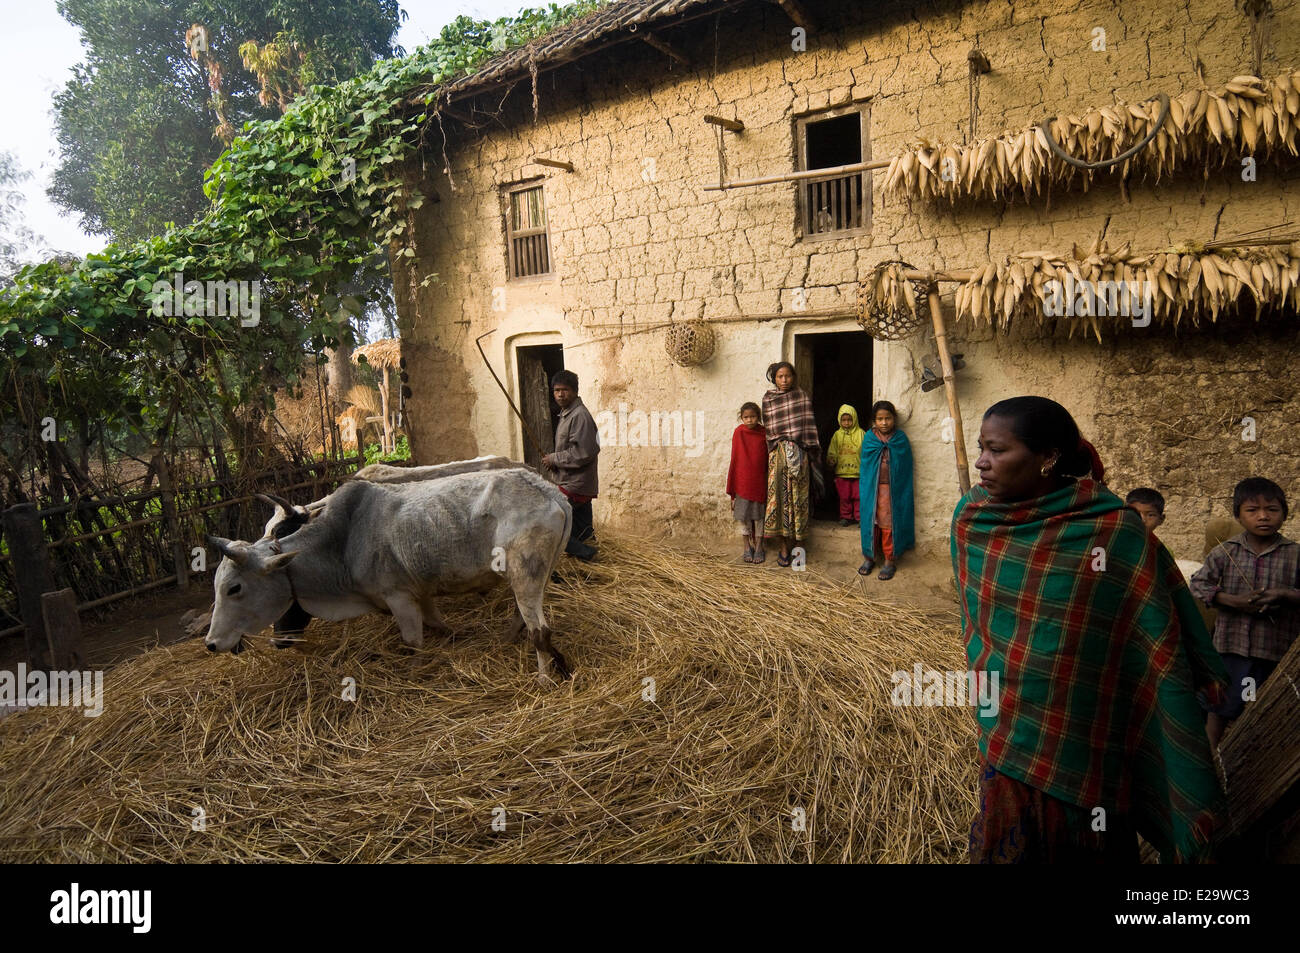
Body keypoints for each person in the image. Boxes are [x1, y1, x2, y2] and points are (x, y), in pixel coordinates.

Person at [953, 396, 1227, 863]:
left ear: (1048, 458)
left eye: (997, 450)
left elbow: (1153, 632)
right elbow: (985, 627)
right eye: (981, 448)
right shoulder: (975, 518)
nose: (982, 462)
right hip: (1007, 728)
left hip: (1088, 733)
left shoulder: (1113, 530)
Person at [1190, 477, 1300, 749]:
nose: (1263, 516)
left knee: (1269, 715)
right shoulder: (1224, 553)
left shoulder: (1295, 554)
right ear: (1238, 514)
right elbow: (1198, 584)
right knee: (1219, 711)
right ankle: (1213, 766)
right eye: (1252, 510)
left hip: (1276, 653)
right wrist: (1234, 601)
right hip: (1230, 649)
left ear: (1285, 513)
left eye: (1272, 510)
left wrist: (1285, 594)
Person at [760, 362, 820, 568]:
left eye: (788, 376)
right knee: (779, 500)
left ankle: (799, 548)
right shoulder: (769, 400)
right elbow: (770, 430)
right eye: (780, 377)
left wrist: (805, 450)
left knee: (799, 501)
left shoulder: (801, 397)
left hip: (800, 456)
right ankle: (783, 547)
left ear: (793, 377)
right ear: (774, 379)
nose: (784, 380)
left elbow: (808, 426)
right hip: (778, 457)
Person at [541, 370, 598, 561]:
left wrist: (554, 459)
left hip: (574, 485)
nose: (560, 394)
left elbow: (583, 452)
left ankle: (586, 553)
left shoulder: (580, 416)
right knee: (583, 532)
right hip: (575, 482)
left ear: (574, 391)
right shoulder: (567, 414)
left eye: (565, 390)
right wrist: (555, 463)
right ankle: (590, 565)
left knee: (550, 524)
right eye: (556, 390)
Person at [858, 400, 914, 580]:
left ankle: (890, 560)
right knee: (871, 522)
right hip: (871, 491)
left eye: (888, 418)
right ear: (874, 420)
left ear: (894, 419)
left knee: (889, 525)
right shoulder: (869, 438)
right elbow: (866, 465)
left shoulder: (900, 439)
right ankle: (869, 557)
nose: (884, 422)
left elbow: (904, 467)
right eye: (880, 419)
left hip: (891, 492)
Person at [726, 402, 768, 564]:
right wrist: (734, 487)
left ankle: (759, 546)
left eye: (753, 417)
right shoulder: (738, 433)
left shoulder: (764, 433)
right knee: (743, 516)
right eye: (746, 417)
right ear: (741, 418)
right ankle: (746, 546)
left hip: (758, 480)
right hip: (742, 481)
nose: (750, 420)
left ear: (759, 417)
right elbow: (735, 459)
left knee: (759, 517)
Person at [825, 404, 865, 527]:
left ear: (855, 419)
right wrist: (831, 459)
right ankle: (846, 517)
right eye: (844, 420)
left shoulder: (861, 433)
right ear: (839, 420)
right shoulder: (837, 435)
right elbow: (833, 450)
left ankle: (859, 517)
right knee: (844, 496)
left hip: (858, 472)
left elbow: (866, 450)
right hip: (842, 472)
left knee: (858, 496)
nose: (847, 423)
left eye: (849, 419)